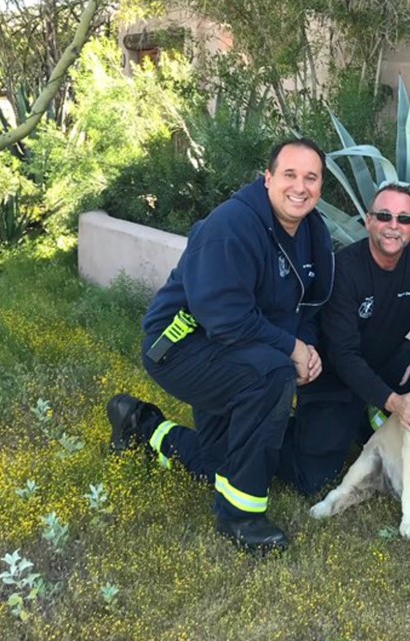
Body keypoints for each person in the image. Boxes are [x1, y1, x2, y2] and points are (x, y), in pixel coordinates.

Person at [105, 138, 334, 553]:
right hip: (181, 347)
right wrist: (291, 350)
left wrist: (309, 346)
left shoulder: (312, 231)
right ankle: (241, 518)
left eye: (311, 177)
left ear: (320, 186)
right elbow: (225, 318)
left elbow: (310, 303)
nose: (300, 187)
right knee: (271, 375)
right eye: (289, 175)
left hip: (233, 348)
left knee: (218, 463)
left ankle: (141, 425)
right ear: (267, 179)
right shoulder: (231, 227)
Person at [275, 181, 410, 496]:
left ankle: (367, 423)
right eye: (384, 216)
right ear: (368, 220)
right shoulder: (344, 269)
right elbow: (343, 355)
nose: (393, 226)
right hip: (333, 374)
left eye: (403, 219)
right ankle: (276, 429)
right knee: (313, 479)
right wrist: (395, 402)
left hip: (387, 357)